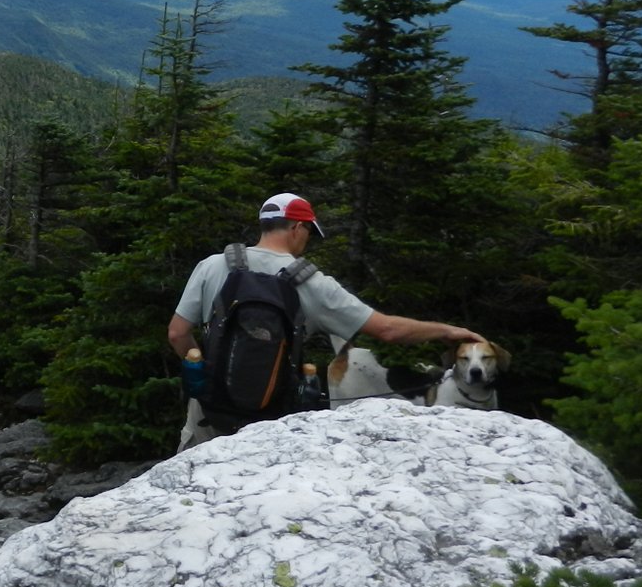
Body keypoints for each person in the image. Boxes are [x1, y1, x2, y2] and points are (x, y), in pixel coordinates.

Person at [168, 192, 484, 449]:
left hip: (208, 413)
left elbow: (178, 333)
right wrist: (447, 330)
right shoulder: (312, 283)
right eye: (308, 233)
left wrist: (208, 373)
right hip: (269, 423)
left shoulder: (212, 265)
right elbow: (387, 329)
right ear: (296, 228)